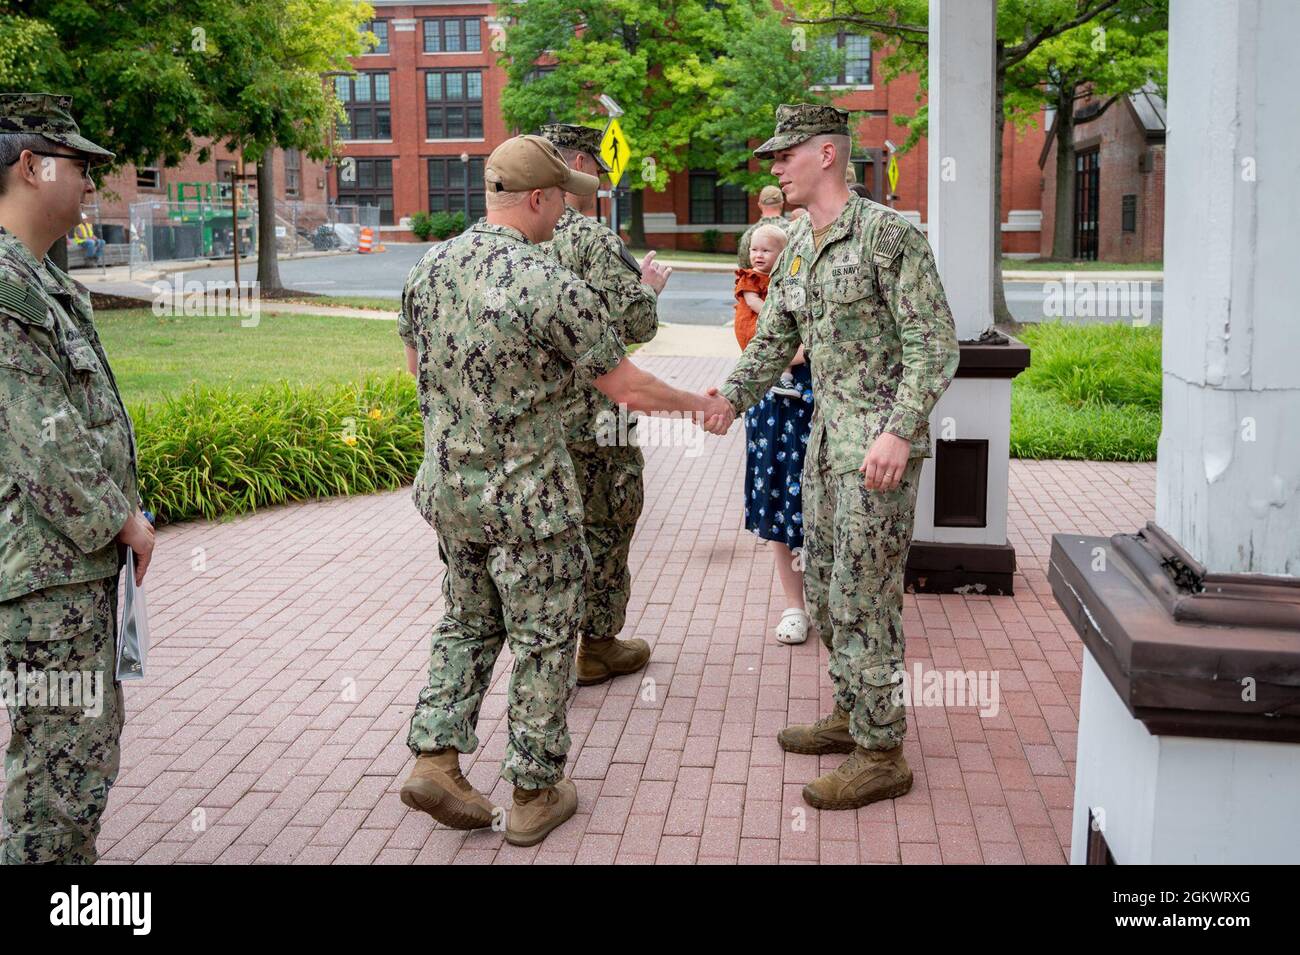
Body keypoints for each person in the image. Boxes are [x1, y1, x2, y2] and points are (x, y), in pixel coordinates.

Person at [397, 134, 731, 847]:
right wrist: (698, 407)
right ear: (541, 199)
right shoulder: (543, 280)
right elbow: (627, 385)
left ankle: (436, 754)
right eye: (564, 203)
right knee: (546, 637)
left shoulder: (429, 267)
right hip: (530, 501)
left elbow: (416, 366)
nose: (567, 218)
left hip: (452, 493)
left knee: (465, 619)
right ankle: (534, 790)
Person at [704, 104, 958, 811]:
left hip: (876, 454)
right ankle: (852, 712)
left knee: (866, 598)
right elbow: (772, 340)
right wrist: (727, 399)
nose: (774, 167)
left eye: (784, 155)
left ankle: (882, 752)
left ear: (825, 154)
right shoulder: (797, 249)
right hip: (823, 450)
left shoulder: (886, 237)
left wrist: (900, 430)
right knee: (826, 592)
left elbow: (935, 343)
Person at [0, 92, 155, 863]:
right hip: (48, 583)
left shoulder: (37, 279)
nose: (92, 183)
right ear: (31, 166)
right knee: (54, 781)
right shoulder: (8, 289)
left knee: (79, 763)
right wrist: (120, 519)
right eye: (79, 165)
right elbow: (42, 439)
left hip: (68, 576)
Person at [537, 123, 670, 686]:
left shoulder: (507, 238)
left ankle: (544, 649)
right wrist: (647, 288)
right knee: (607, 526)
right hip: (594, 421)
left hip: (528, 424)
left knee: (544, 534)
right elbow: (636, 322)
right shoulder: (590, 240)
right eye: (595, 162)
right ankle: (597, 646)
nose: (603, 173)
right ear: (573, 163)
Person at [733, 223, 814, 645]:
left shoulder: (809, 284)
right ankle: (794, 607)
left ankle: (828, 600)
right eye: (756, 248)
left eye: (770, 249)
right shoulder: (757, 291)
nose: (761, 255)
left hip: (817, 408)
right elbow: (756, 346)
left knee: (821, 506)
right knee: (781, 504)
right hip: (771, 411)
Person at [736, 184, 790, 270]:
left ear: (760, 205)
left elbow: (743, 268)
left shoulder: (749, 233)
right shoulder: (794, 229)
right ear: (782, 204)